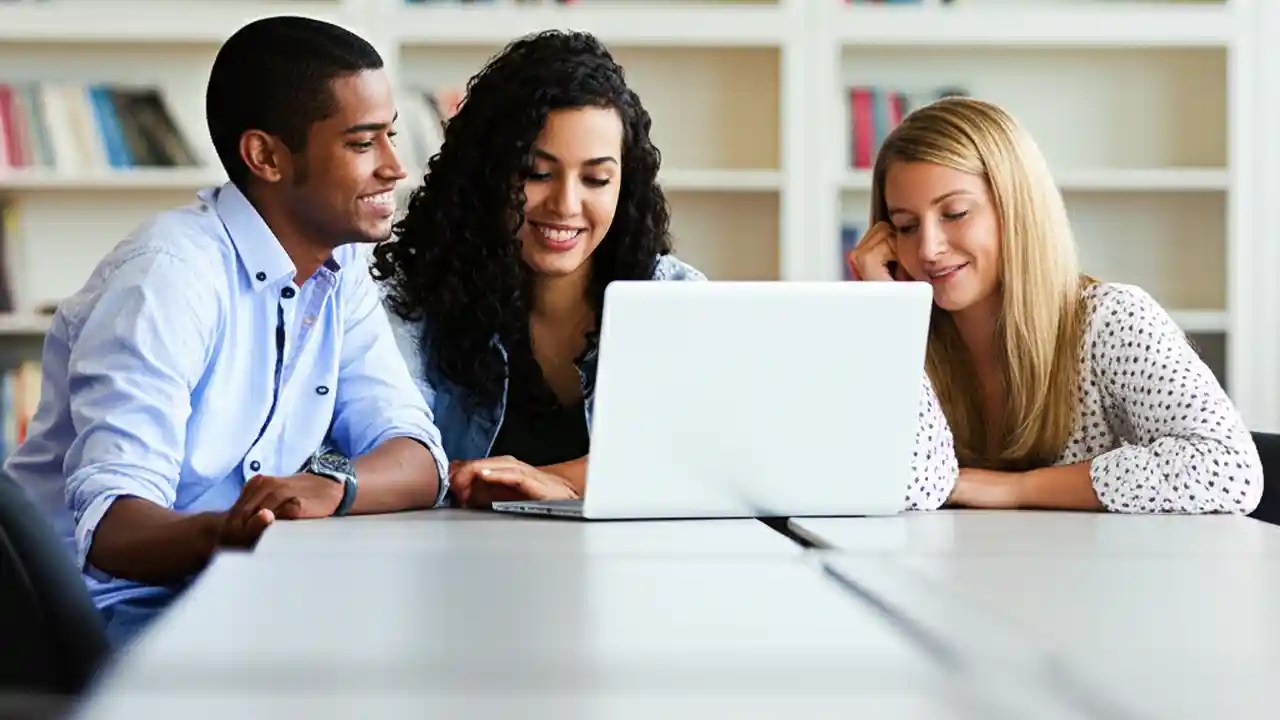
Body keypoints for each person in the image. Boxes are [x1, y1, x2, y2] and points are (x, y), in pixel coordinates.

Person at [4, 16, 449, 647]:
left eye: (391, 137)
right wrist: (238, 530)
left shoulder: (339, 265)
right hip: (110, 610)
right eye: (361, 144)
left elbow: (417, 454)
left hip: (242, 584)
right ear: (265, 155)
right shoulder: (168, 278)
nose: (395, 168)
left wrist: (330, 488)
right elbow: (112, 530)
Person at [848, 96, 1263, 514]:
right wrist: (887, 315)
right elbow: (913, 487)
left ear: (1016, 211)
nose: (929, 248)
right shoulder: (898, 337)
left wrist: (1014, 490)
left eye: (954, 213)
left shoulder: (1110, 320)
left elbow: (1228, 470)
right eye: (906, 225)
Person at [373, 30, 709, 508]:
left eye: (596, 178)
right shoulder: (414, 304)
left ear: (625, 186)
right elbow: (386, 453)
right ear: (487, 174)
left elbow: (710, 460)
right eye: (537, 172)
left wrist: (556, 480)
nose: (566, 204)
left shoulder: (674, 299)